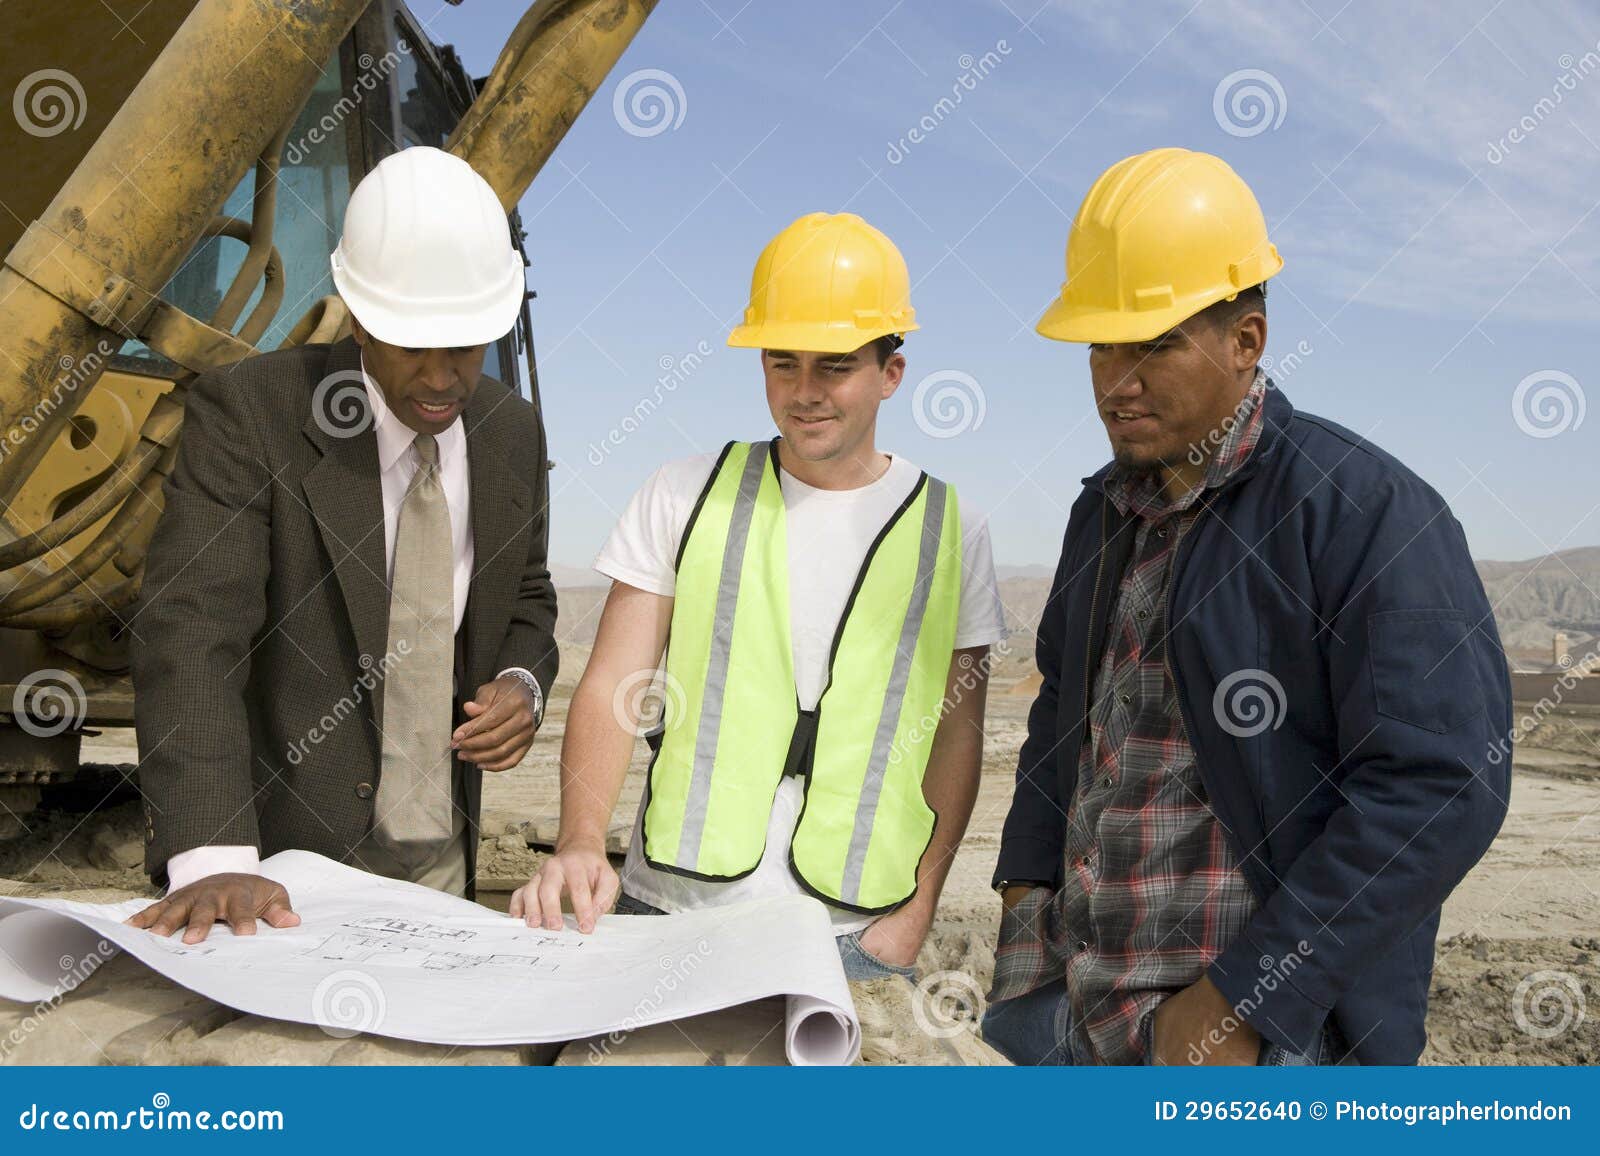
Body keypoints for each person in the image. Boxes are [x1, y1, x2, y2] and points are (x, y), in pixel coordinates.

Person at [984, 148, 1512, 1065]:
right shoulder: (1101, 513)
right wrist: (1026, 893)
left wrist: (1249, 998)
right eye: (1102, 344)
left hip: (1254, 1047)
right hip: (1067, 1017)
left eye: (1153, 344)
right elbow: (1061, 711)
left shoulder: (1366, 512)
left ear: (1247, 340)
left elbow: (1441, 788)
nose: (1116, 380)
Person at [511, 212, 1006, 979]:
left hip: (855, 937)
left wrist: (916, 913)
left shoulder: (952, 528)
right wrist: (579, 840)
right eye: (783, 363)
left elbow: (956, 734)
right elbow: (611, 684)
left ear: (892, 373)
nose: (804, 393)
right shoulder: (683, 493)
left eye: (835, 366)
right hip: (666, 910)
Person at [127, 146, 559, 942]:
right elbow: (191, 630)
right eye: (411, 345)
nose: (442, 379)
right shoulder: (252, 414)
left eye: (464, 346)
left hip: (444, 858)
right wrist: (214, 857)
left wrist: (521, 682)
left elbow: (527, 592)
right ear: (359, 319)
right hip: (279, 874)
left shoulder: (512, 432)